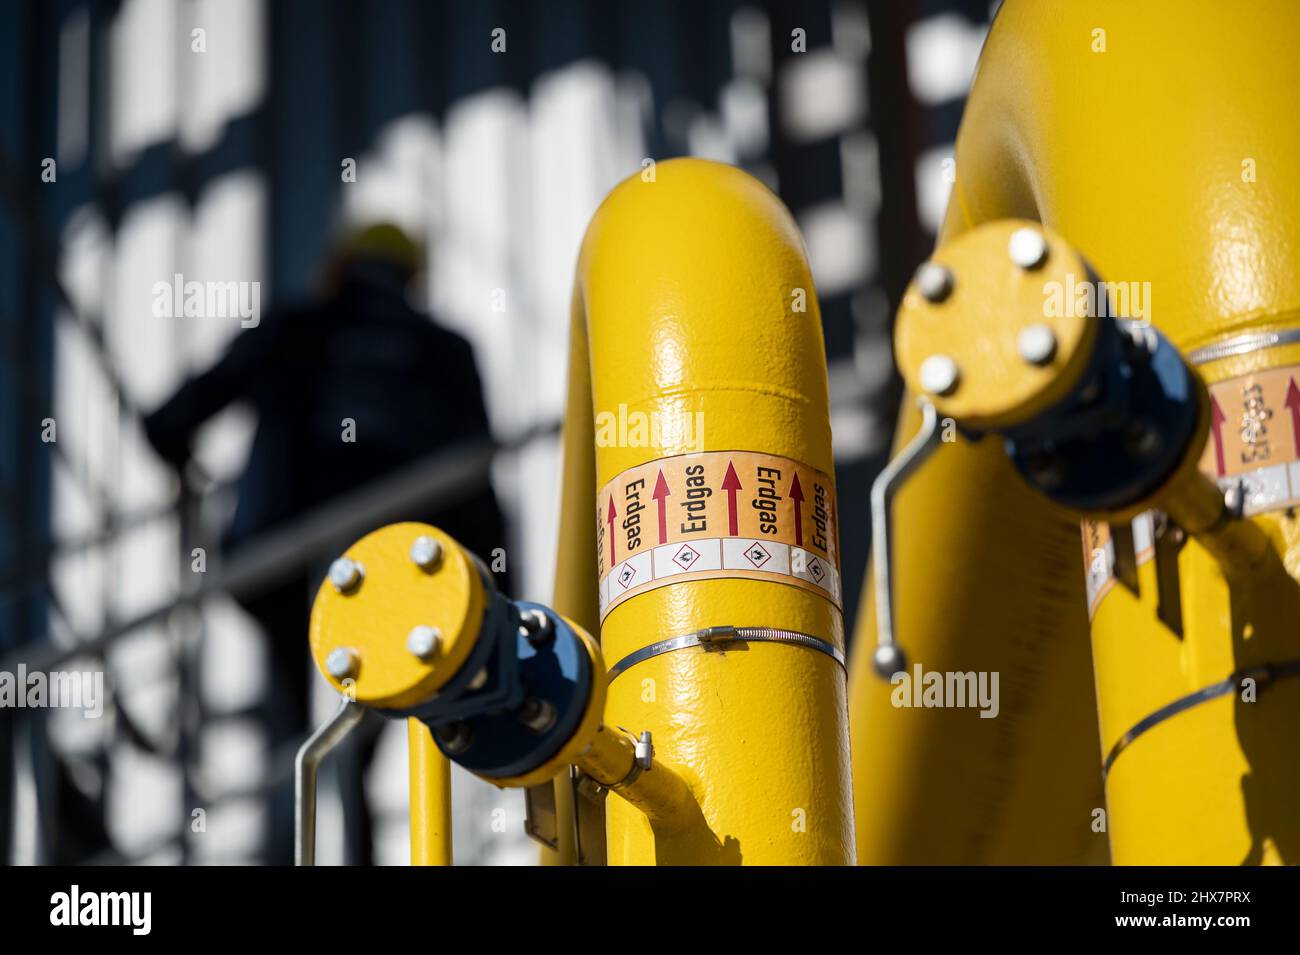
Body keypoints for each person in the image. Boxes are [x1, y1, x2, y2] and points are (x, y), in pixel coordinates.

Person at [144, 223, 510, 864]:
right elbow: (476, 481)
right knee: (362, 720)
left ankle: (294, 844)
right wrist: (501, 603)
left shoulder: (291, 328)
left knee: (302, 726)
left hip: (276, 558)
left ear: (338, 267)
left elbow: (170, 421)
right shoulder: (447, 350)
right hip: (399, 570)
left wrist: (186, 468)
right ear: (411, 279)